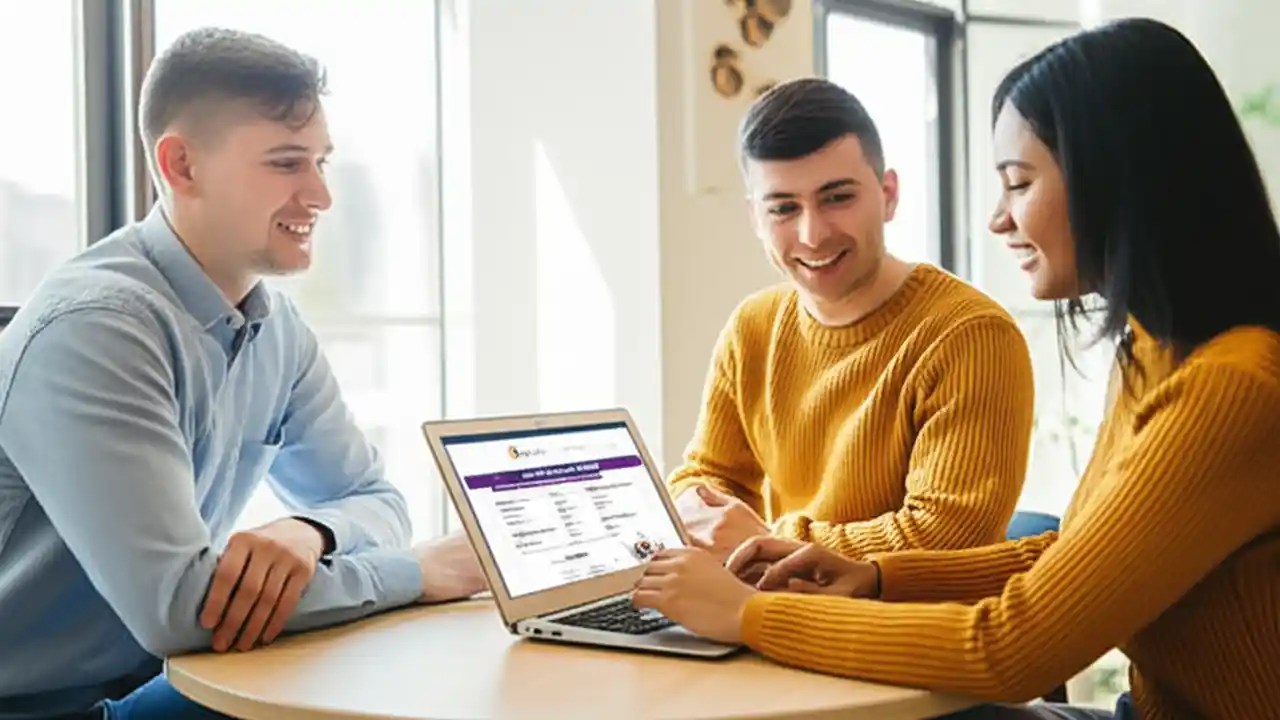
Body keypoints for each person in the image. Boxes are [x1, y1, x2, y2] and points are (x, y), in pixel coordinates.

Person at [634, 17, 1280, 720]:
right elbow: (1070, 553)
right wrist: (875, 577)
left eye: (1018, 184)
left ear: (1116, 180)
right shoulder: (1152, 351)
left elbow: (1014, 649)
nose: (999, 220)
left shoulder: (1234, 385)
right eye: (784, 207)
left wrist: (748, 614)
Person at [0, 28, 486, 719]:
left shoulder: (274, 325)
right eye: (286, 163)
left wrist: (311, 532)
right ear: (182, 165)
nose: (320, 195)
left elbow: (375, 498)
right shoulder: (98, 328)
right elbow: (182, 609)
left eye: (321, 161)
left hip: (158, 678)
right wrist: (420, 572)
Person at [668, 78, 1034, 563]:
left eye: (837, 198)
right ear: (755, 218)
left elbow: (948, 534)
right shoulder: (751, 328)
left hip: (904, 613)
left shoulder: (971, 336)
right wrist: (698, 510)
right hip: (770, 599)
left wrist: (768, 542)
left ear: (888, 195)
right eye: (783, 208)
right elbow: (707, 475)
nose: (813, 235)